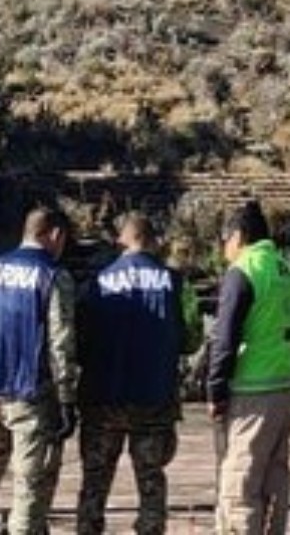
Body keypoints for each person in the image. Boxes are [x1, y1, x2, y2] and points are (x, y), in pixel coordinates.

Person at [75, 211, 204, 535]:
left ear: (122, 241)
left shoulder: (96, 283)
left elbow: (77, 339)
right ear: (152, 240)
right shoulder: (175, 283)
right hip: (154, 397)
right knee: (150, 481)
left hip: (102, 397)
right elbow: (192, 339)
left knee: (94, 480)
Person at [0, 206, 80, 535]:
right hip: (29, 392)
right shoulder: (53, 276)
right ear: (54, 235)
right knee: (30, 485)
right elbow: (60, 341)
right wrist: (67, 397)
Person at [206, 200, 290, 535]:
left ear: (238, 236)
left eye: (225, 241)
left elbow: (224, 337)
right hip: (284, 390)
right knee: (274, 484)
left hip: (251, 392)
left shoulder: (245, 270)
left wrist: (215, 389)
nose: (224, 250)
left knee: (240, 485)